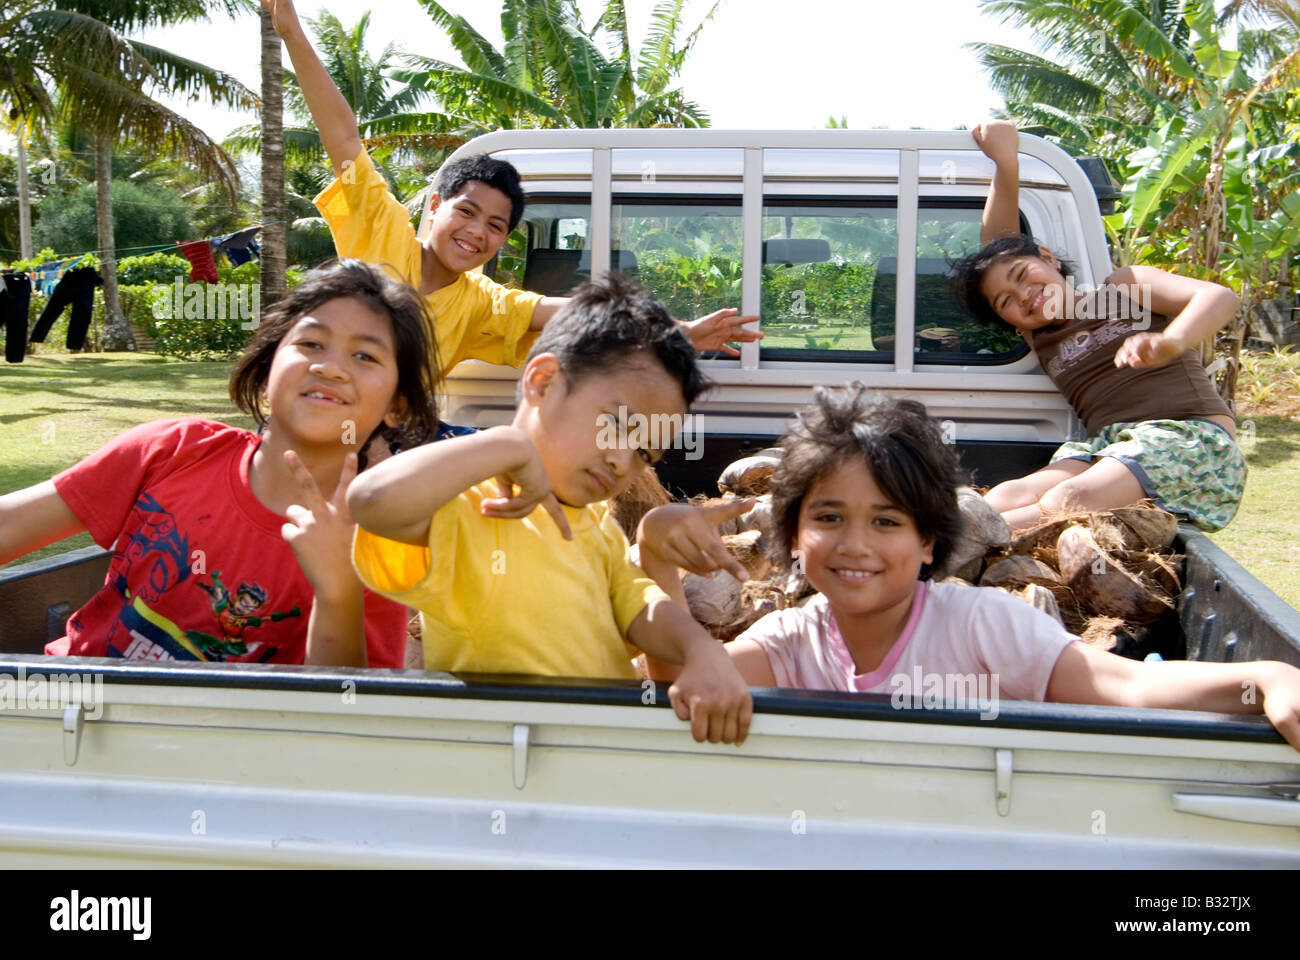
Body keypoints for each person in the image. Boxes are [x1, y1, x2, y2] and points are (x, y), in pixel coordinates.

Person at [637, 385, 1300, 750]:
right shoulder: (788, 642)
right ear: (792, 538)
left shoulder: (987, 626)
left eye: (888, 521)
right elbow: (676, 689)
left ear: (931, 543)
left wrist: (1265, 676)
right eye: (829, 518)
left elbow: (1127, 688)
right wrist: (658, 563)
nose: (856, 545)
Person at [346, 276, 753, 744]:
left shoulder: (597, 528)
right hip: (519, 783)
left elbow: (640, 607)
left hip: (598, 773)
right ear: (541, 380)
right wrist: (508, 445)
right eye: (615, 424)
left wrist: (699, 647)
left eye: (645, 453)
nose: (622, 460)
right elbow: (370, 500)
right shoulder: (476, 505)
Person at [263, 0, 762, 381]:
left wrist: (680, 332)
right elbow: (345, 138)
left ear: (503, 241)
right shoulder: (383, 233)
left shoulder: (483, 303)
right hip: (315, 404)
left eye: (495, 226)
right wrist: (290, 29)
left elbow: (585, 315)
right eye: (468, 212)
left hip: (388, 438)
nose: (476, 233)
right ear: (434, 206)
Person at [0, 260, 441, 668]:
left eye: (365, 356)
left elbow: (340, 715)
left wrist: (338, 592)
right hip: (70, 714)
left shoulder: (374, 546)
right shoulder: (171, 449)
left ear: (396, 407)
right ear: (268, 373)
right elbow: (10, 526)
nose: (331, 368)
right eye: (311, 343)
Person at [952, 119, 1244, 533]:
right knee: (1005, 496)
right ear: (1007, 321)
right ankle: (964, 540)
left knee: (1066, 500)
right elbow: (996, 251)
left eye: (1024, 276)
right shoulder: (1040, 334)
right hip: (1110, 447)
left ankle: (957, 543)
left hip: (1187, 439)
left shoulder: (1124, 287)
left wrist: (1171, 341)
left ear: (1048, 258)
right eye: (1007, 303)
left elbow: (1220, 297)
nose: (1024, 297)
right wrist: (1006, 165)